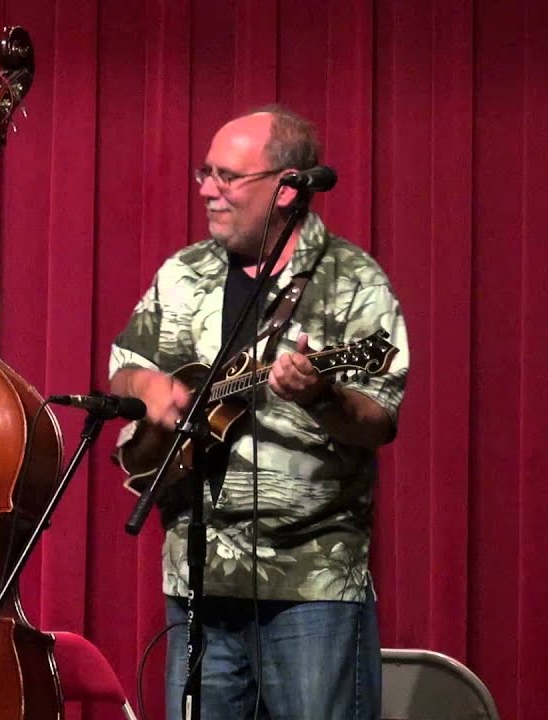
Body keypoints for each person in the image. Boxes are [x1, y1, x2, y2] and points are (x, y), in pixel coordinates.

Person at [109, 106, 409, 719]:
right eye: (205, 173)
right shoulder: (184, 272)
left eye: (226, 177)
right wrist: (151, 386)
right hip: (198, 584)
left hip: (311, 587)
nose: (206, 190)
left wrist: (321, 394)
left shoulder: (352, 281)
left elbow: (379, 418)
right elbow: (124, 367)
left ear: (288, 187)